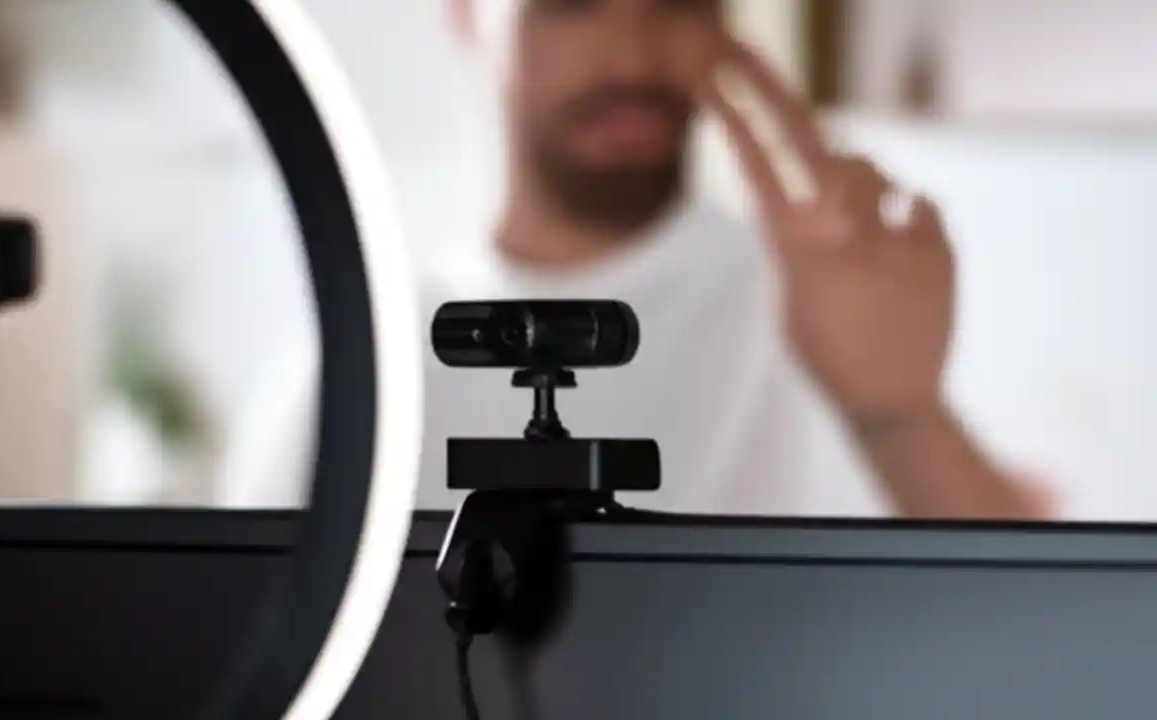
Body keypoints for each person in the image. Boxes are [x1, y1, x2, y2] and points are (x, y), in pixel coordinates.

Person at [416, 0, 1049, 518]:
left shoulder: (823, 301)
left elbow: (1042, 629)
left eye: (680, 3)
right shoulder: (387, 344)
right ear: (466, 12)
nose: (633, 59)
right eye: (571, 6)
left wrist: (903, 416)